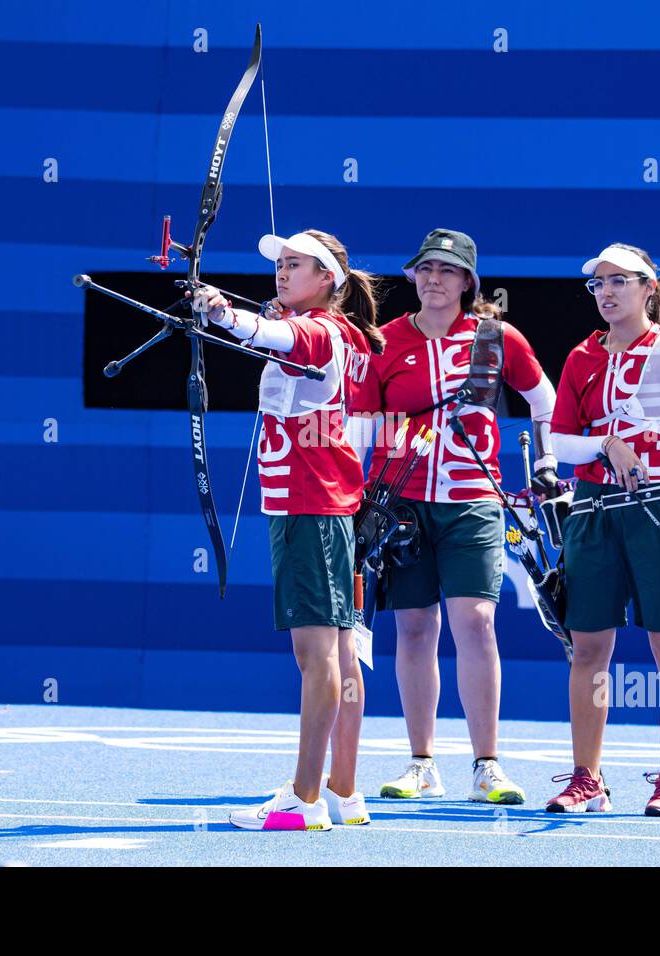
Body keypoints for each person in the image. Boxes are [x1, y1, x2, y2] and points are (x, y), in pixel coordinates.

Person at [351, 228, 559, 805]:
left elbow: (546, 405)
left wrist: (544, 465)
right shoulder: (385, 341)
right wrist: (353, 499)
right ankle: (422, 763)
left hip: (473, 501)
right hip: (401, 503)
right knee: (415, 628)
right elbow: (362, 429)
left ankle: (487, 765)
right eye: (425, 269)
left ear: (468, 281)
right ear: (413, 276)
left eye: (447, 270)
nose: (434, 278)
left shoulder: (496, 338)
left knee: (477, 623)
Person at [195, 229, 384, 831]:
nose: (282, 271)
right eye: (280, 264)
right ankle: (344, 793)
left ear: (326, 277)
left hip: (310, 506)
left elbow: (274, 334)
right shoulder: (339, 330)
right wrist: (253, 316)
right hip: (321, 505)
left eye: (295, 264)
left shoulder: (320, 331)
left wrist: (224, 313)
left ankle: (305, 800)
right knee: (338, 650)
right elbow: (282, 333)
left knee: (317, 652)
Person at [546, 242, 660, 816]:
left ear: (649, 287)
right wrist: (606, 444)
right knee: (588, 647)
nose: (605, 292)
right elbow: (560, 443)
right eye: (598, 284)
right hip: (595, 511)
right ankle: (587, 780)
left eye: (618, 281)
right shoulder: (580, 358)